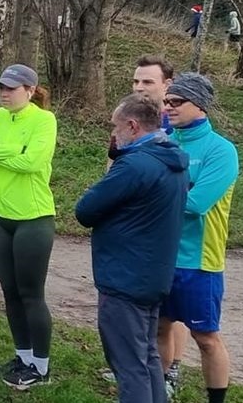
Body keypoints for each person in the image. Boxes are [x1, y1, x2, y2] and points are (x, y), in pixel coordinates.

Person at [75, 94, 189, 403]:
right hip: (153, 274)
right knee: (147, 355)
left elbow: (85, 210)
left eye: (115, 126)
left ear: (132, 126)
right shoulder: (173, 160)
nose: (112, 133)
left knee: (128, 366)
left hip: (125, 277)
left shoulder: (134, 166)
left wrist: (113, 166)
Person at [0, 64, 57, 387]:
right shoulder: (1, 117)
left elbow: (33, 162)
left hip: (33, 219)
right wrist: (11, 150)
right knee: (10, 292)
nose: (4, 93)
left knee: (31, 293)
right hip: (0, 218)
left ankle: (42, 367)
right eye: (1, 88)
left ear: (30, 91)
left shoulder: (44, 120)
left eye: (11, 88)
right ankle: (23, 356)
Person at [154, 73, 239, 403]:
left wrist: (152, 195)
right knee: (160, 327)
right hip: (160, 257)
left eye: (176, 102)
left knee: (206, 337)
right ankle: (159, 391)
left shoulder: (221, 150)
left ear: (200, 105)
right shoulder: (161, 140)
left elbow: (196, 204)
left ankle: (216, 399)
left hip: (199, 260)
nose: (168, 107)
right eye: (167, 101)